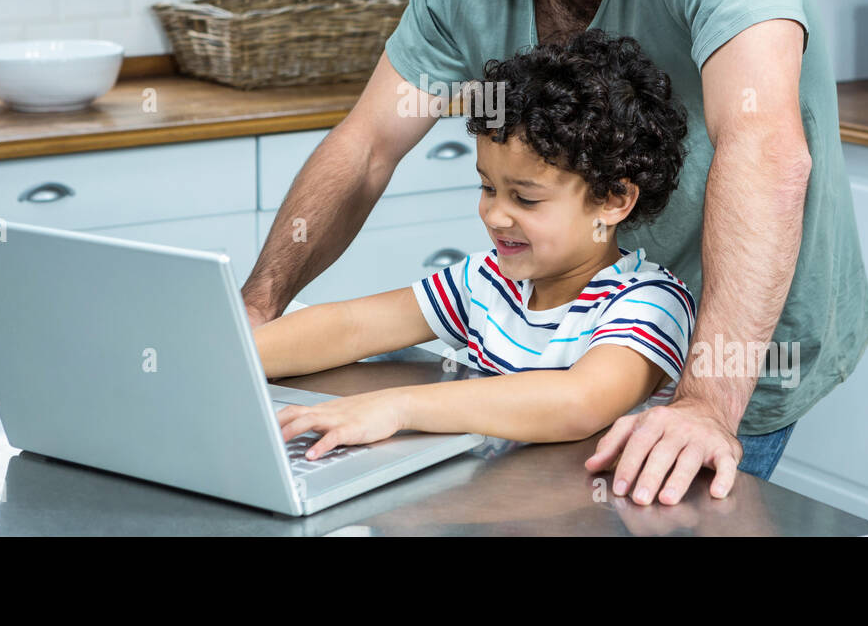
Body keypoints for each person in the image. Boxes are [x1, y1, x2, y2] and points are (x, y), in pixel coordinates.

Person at [241, 0, 868, 506]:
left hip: (726, 348)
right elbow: (368, 145)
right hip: (547, 353)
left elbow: (766, 150)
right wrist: (249, 318)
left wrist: (707, 403)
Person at [256, 31, 697, 455]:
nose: (494, 214)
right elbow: (353, 325)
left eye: (524, 197)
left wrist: (396, 406)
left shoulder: (650, 302)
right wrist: (229, 359)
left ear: (614, 200)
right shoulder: (486, 280)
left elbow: (578, 402)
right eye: (488, 188)